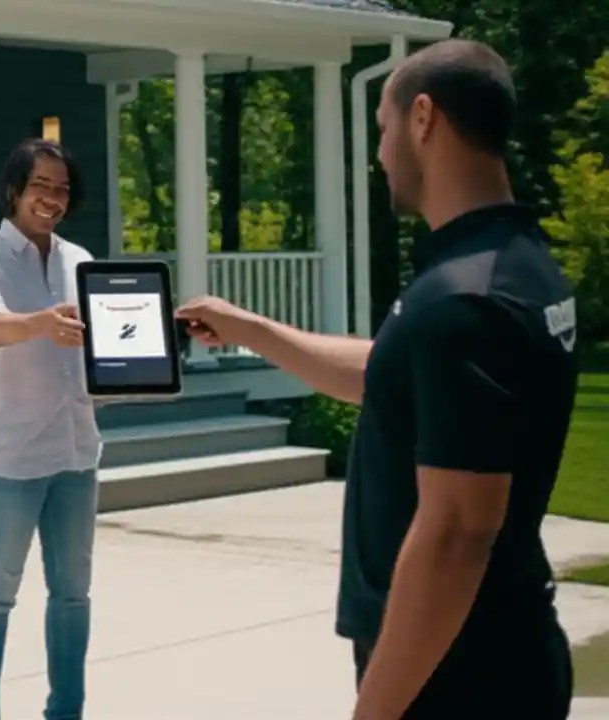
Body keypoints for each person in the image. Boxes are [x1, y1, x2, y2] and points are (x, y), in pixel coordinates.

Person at [177, 39, 578, 719]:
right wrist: (252, 330)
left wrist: (376, 711)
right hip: (496, 653)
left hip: (459, 679)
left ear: (424, 118)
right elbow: (397, 376)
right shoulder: (510, 265)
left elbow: (457, 530)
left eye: (384, 128)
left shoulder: (461, 301)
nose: (381, 152)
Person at [0, 138, 101, 720]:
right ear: (15, 188)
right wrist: (42, 323)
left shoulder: (78, 261)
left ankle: (66, 712)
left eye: (62, 189)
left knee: (72, 597)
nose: (52, 198)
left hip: (74, 452)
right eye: (41, 185)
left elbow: (107, 343)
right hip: (6, 458)